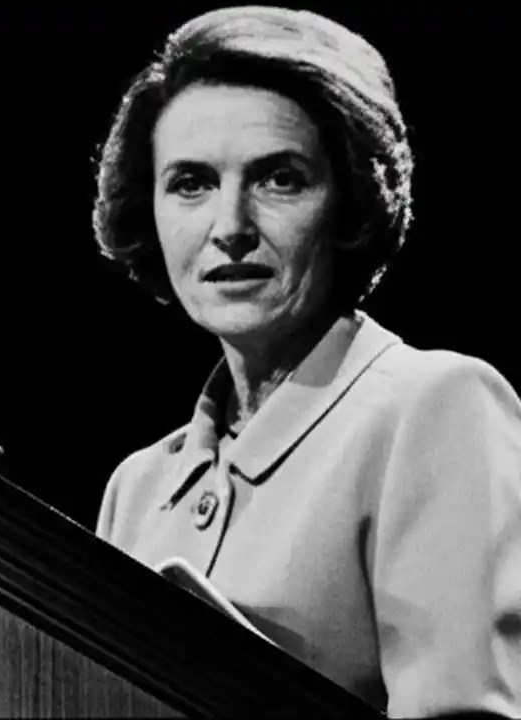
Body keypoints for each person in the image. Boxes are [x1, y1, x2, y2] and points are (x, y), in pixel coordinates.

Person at [90, 5, 521, 718]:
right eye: (191, 183)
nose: (229, 228)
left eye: (278, 179)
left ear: (349, 202)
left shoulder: (437, 405)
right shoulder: (135, 488)